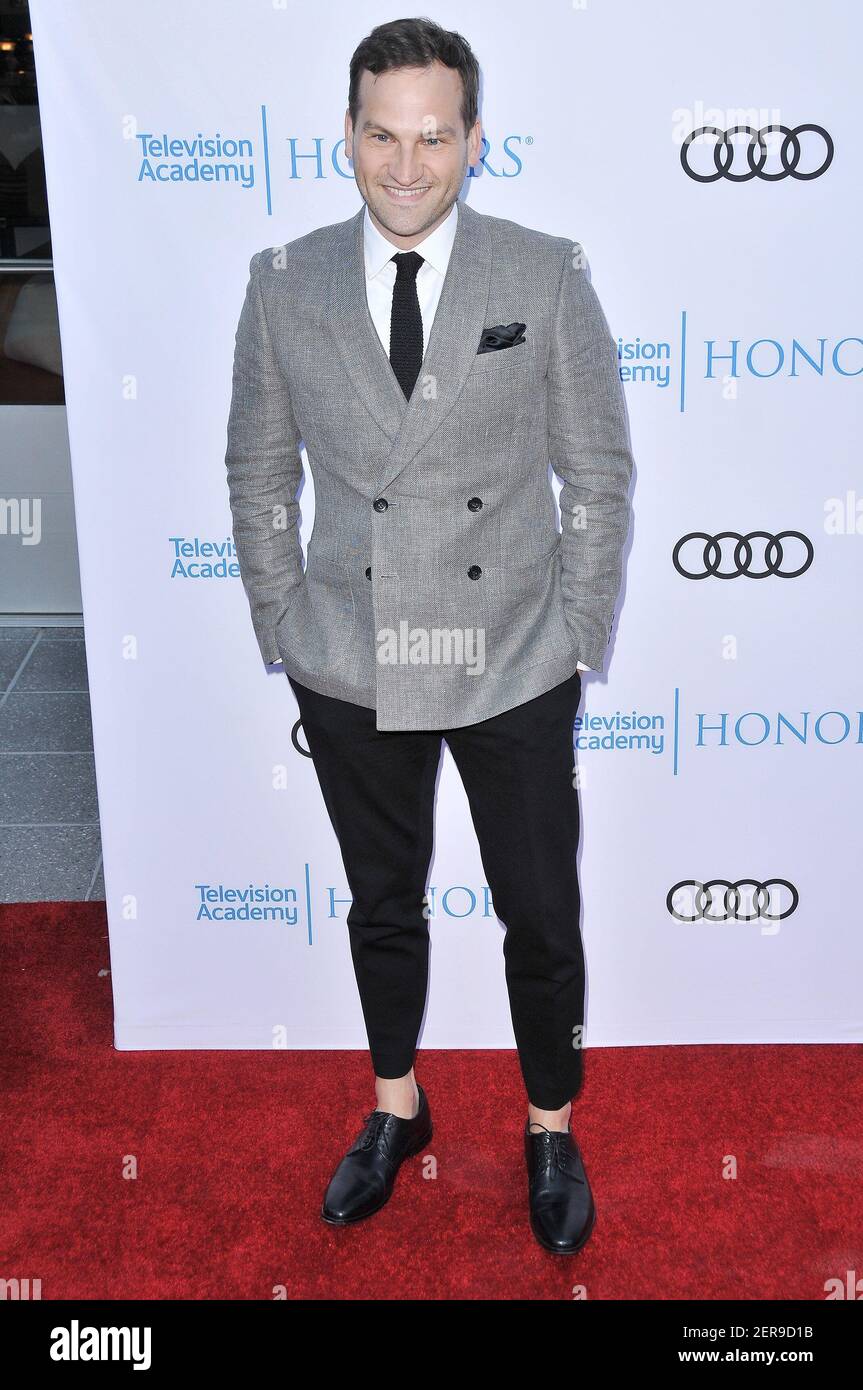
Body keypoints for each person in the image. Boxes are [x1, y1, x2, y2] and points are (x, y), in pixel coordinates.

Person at [225, 16, 633, 1255]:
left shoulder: (541, 272)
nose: (406, 166)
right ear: (345, 134)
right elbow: (255, 469)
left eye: (433, 138)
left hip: (511, 654)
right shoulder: (283, 281)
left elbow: (598, 476)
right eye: (382, 135)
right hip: (351, 653)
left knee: (541, 914)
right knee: (381, 905)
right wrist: (287, 624)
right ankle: (395, 1105)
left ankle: (549, 1125)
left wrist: (572, 634)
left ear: (470, 141)